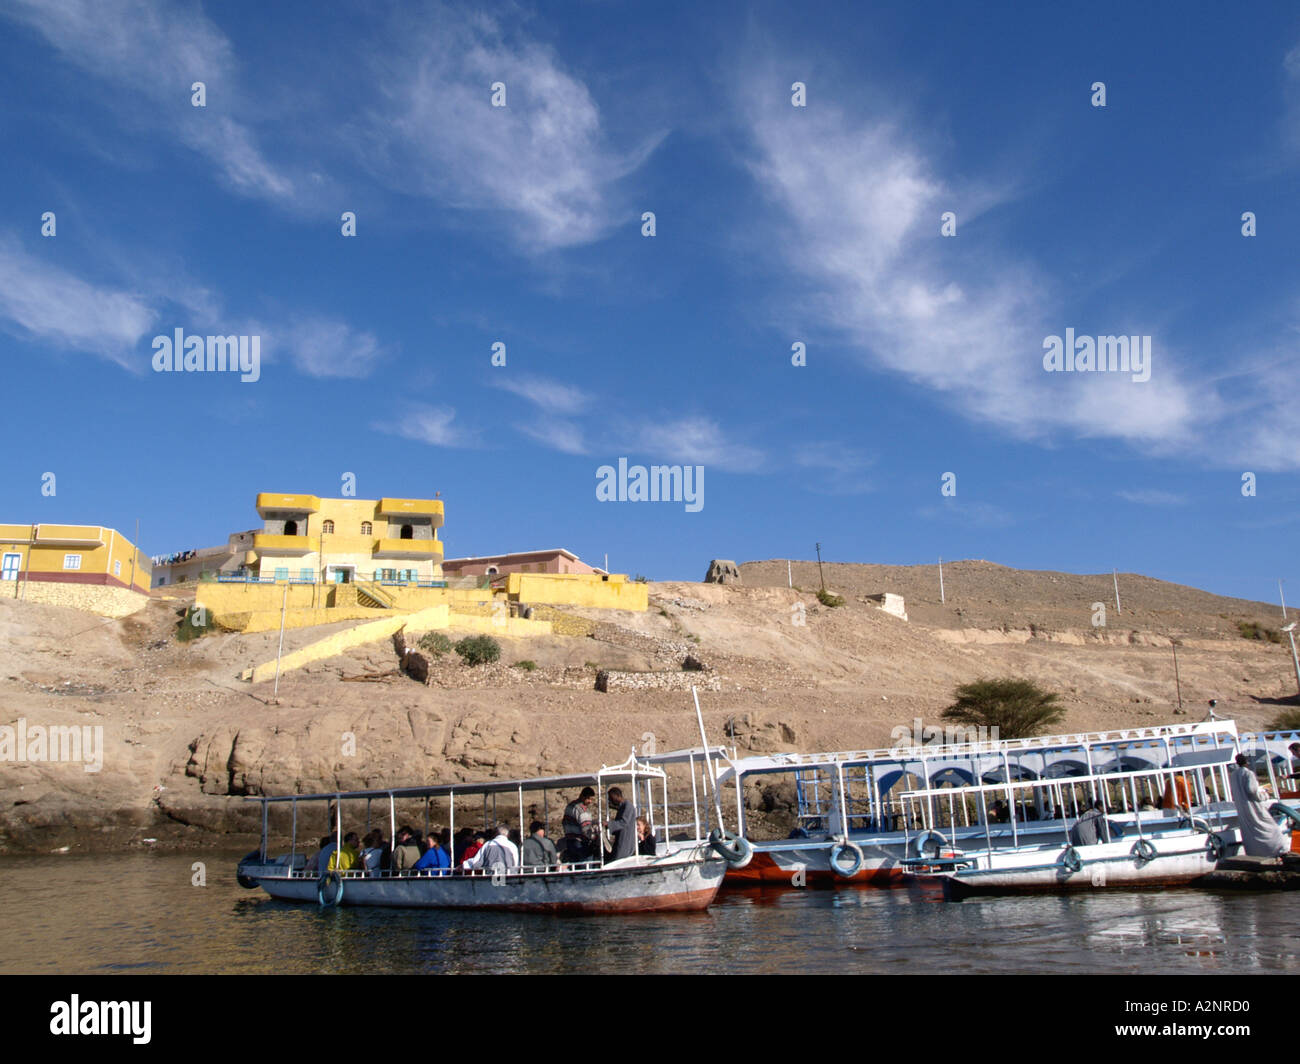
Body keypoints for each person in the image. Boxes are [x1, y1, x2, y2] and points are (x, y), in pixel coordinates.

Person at [1229, 753, 1289, 857]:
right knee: (1270, 828)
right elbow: (1252, 790)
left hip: (1242, 807)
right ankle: (1279, 849)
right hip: (1253, 806)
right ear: (1246, 762)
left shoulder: (1233, 775)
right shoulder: (1249, 773)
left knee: (1250, 831)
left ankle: (1255, 852)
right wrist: (1264, 795)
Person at [561, 786, 598, 862]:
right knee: (586, 863)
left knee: (575, 864)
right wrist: (595, 837)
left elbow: (564, 822)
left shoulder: (570, 806)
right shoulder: (582, 810)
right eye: (588, 799)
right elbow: (586, 829)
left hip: (569, 841)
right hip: (580, 843)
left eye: (591, 799)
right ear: (582, 796)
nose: (590, 801)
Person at [606, 787, 636, 861]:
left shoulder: (628, 806)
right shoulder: (621, 807)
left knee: (619, 859)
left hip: (625, 840)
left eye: (611, 797)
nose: (610, 800)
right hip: (620, 839)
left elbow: (624, 822)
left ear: (616, 796)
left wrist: (609, 824)